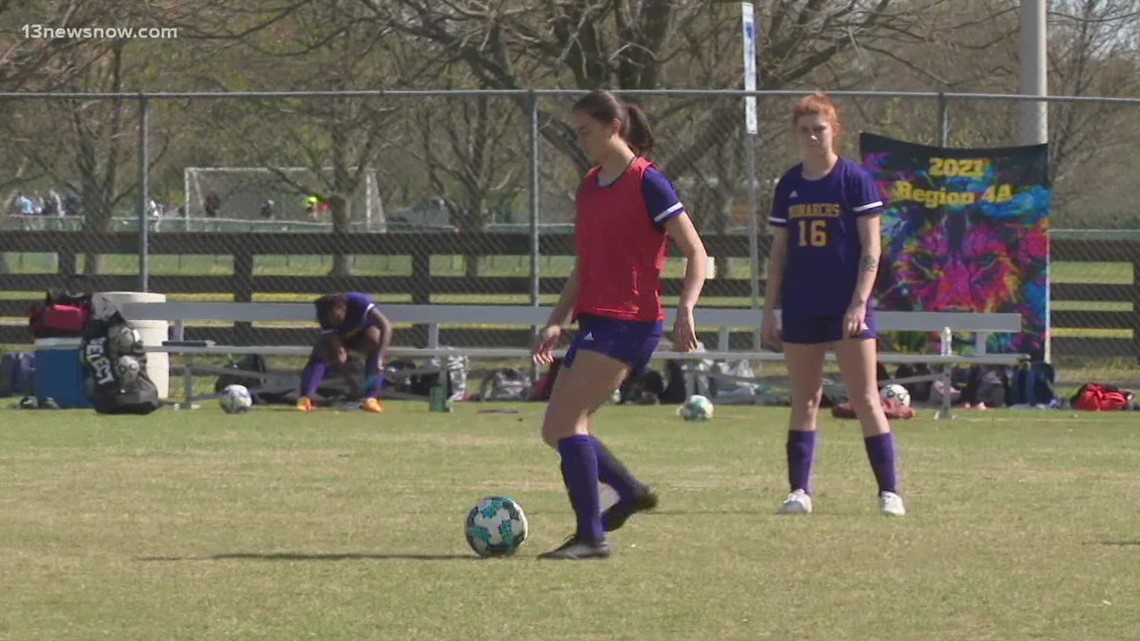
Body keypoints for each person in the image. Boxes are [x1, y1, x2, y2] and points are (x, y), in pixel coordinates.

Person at [532, 89, 709, 560]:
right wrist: (556, 321)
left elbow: (696, 253)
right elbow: (585, 264)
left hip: (631, 322)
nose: (580, 140)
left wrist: (686, 308)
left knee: (567, 423)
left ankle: (592, 536)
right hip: (595, 320)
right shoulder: (590, 186)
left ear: (614, 127)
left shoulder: (649, 182)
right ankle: (627, 491)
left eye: (585, 131)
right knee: (558, 430)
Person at [762, 92, 906, 517]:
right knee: (805, 399)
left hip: (847, 307)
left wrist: (859, 302)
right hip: (802, 304)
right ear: (795, 133)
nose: (812, 136)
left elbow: (871, 247)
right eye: (804, 129)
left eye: (819, 128)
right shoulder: (789, 184)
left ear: (834, 130)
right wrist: (771, 308)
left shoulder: (854, 180)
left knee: (865, 398)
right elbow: (780, 252)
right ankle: (799, 491)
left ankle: (889, 492)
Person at [297, 293, 393, 414]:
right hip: (341, 338)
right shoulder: (323, 314)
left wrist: (380, 356)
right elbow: (337, 348)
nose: (332, 321)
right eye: (329, 318)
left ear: (343, 308)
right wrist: (346, 367)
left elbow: (386, 326)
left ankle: (371, 398)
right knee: (321, 350)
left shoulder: (360, 302)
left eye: (335, 317)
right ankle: (305, 398)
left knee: (375, 342)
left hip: (364, 335)